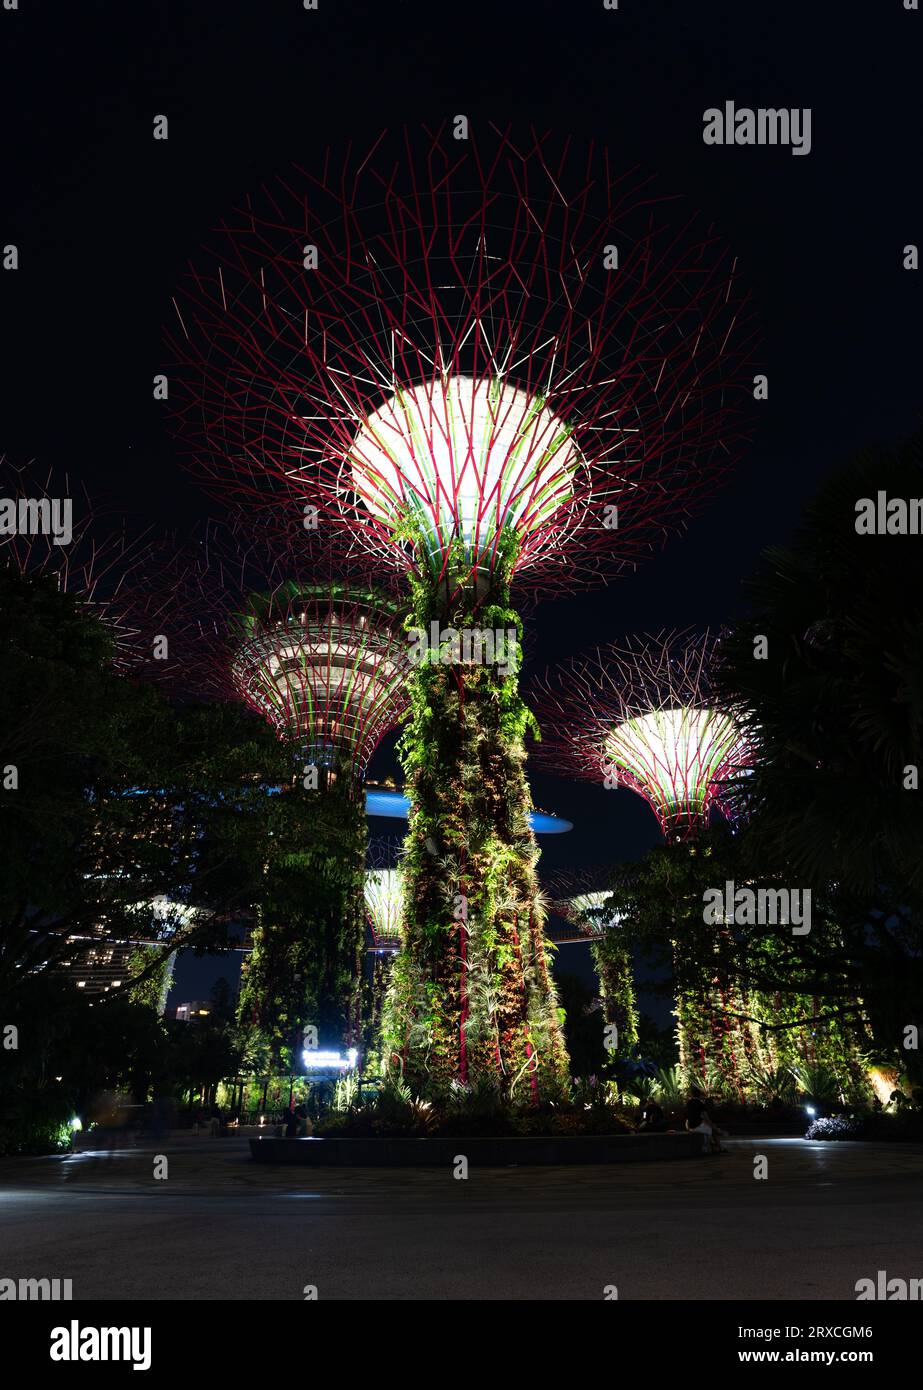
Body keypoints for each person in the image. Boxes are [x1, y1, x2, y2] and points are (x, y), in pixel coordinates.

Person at [685, 1087, 726, 1154]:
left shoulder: (688, 1103)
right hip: (697, 1126)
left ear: (692, 1094)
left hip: (690, 1126)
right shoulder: (700, 1104)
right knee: (712, 1130)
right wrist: (714, 1127)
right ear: (699, 1095)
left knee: (709, 1128)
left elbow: (687, 1116)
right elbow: (706, 1118)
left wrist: (687, 1126)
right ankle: (719, 1148)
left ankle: (714, 1147)